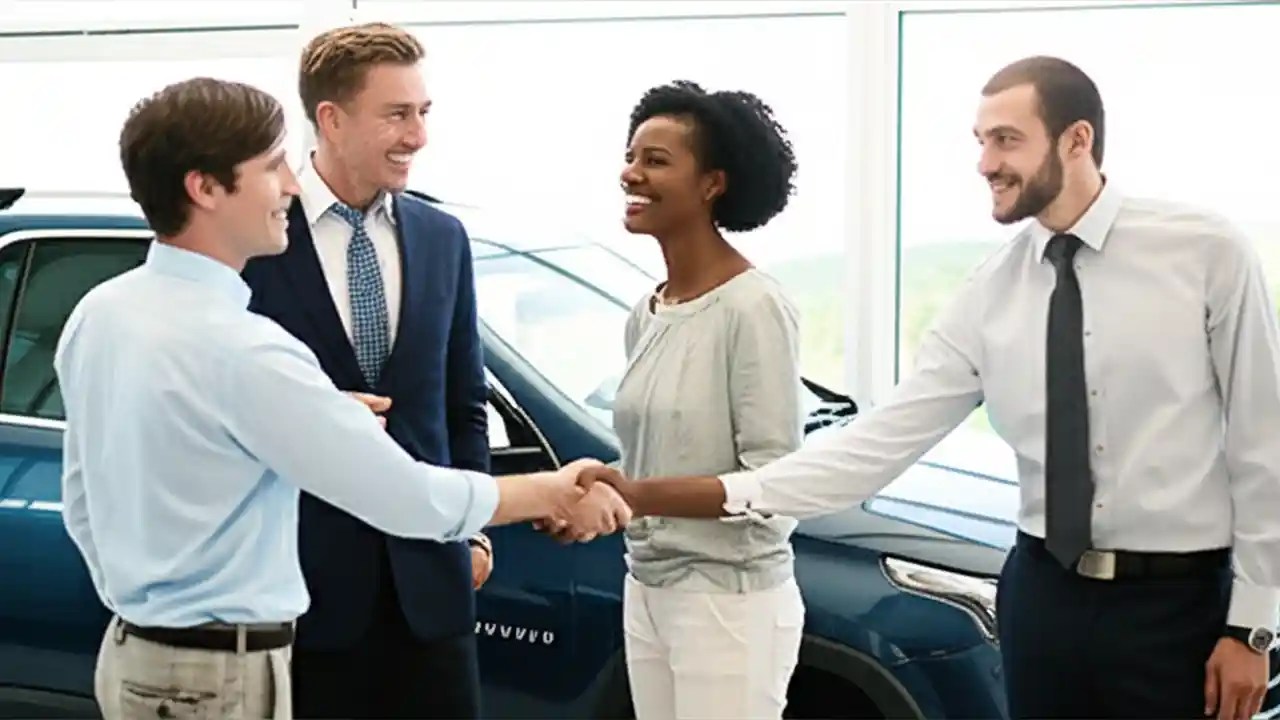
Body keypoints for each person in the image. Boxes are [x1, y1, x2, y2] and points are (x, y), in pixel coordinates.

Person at [578, 56, 1280, 720]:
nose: (986, 163)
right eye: (980, 141)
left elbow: (1261, 439)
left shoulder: (1205, 252)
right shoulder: (990, 291)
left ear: (1077, 140)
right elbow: (877, 445)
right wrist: (669, 493)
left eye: (1006, 140)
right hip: (1042, 596)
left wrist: (1252, 626)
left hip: (1179, 603)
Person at [57, 76, 593, 720]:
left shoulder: (100, 312)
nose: (290, 184)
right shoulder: (245, 348)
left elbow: (83, 504)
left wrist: (152, 603)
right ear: (204, 188)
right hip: (220, 677)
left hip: (136, 657)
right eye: (271, 165)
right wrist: (552, 490)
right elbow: (410, 499)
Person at [239, 23, 490, 719]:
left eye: (423, 113)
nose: (418, 135)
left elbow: (462, 400)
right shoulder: (256, 241)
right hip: (301, 593)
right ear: (331, 118)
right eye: (397, 114)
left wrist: (472, 531)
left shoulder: (444, 239)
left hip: (432, 596)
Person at [558, 79, 805, 720]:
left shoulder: (753, 308)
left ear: (712, 184)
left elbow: (775, 487)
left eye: (656, 161)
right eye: (632, 157)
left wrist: (631, 494)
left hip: (729, 603)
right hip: (648, 587)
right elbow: (648, 457)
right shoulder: (648, 311)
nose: (631, 174)